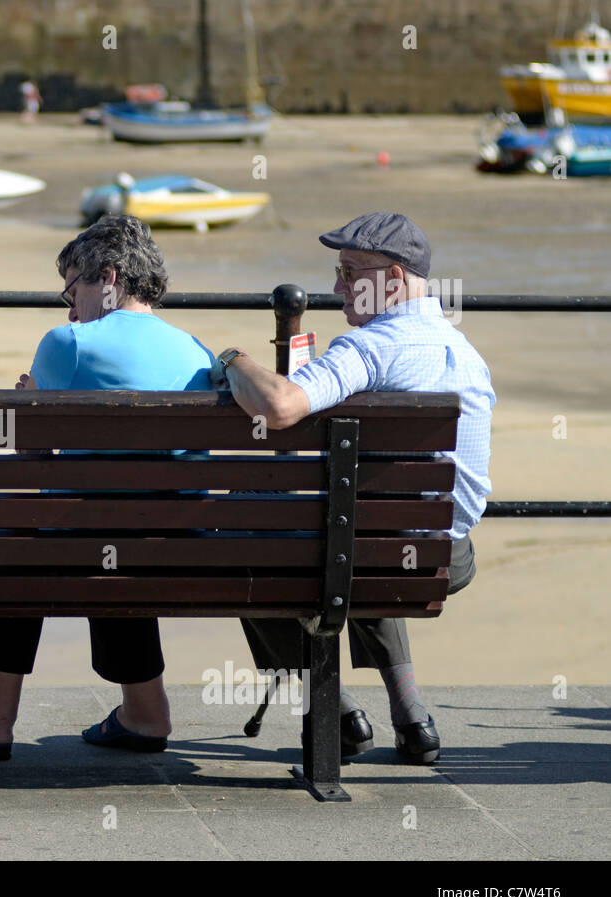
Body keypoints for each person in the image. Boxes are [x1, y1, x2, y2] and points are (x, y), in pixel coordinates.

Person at [210, 211, 494, 764]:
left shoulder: (370, 348)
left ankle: (335, 711)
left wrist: (232, 358)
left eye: (347, 272)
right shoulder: (468, 356)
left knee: (243, 540)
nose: (336, 286)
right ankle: (411, 715)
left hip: (371, 552)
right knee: (367, 533)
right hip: (446, 559)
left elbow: (281, 404)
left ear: (391, 278)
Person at [0, 214, 215, 760]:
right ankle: (146, 712)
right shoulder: (197, 351)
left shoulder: (68, 344)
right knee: (120, 522)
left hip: (87, 538)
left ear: (108, 277)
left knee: (18, 532)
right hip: (179, 546)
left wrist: (28, 407)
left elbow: (33, 459)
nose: (68, 305)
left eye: (71, 288)